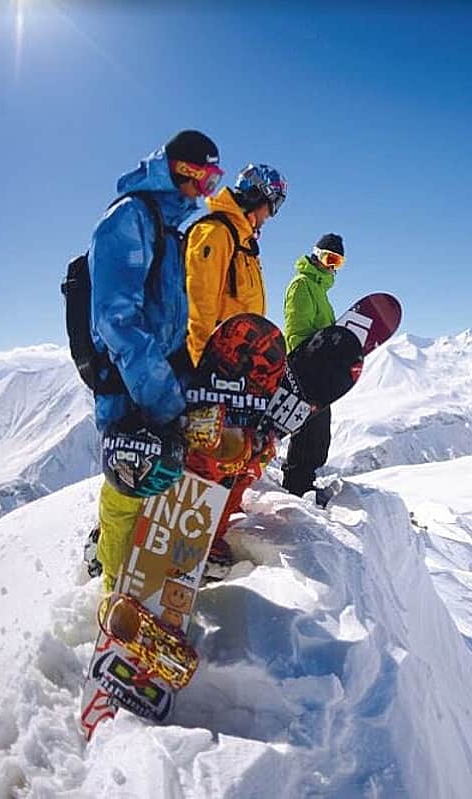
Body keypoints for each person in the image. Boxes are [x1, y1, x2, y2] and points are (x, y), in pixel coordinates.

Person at [86, 130, 223, 591]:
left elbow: (169, 316)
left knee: (158, 484)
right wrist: (164, 395)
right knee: (129, 483)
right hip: (129, 385)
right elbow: (116, 319)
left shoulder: (170, 226)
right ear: (182, 171)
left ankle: (147, 582)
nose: (207, 193)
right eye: (206, 180)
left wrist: (188, 377)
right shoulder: (130, 219)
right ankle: (114, 589)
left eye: (214, 182)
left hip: (160, 377)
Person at [183, 164, 287, 576]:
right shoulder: (216, 234)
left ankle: (211, 534)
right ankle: (187, 545)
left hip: (240, 378)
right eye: (272, 207)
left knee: (252, 453)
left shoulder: (244, 244)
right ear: (260, 199)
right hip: (211, 375)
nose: (270, 217)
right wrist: (199, 378)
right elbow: (199, 311)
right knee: (209, 462)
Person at [281, 233, 345, 500]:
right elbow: (297, 332)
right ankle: (296, 486)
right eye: (329, 258)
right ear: (317, 254)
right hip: (305, 368)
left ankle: (306, 483)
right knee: (307, 428)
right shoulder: (302, 284)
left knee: (320, 430)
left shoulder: (319, 289)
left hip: (320, 370)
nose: (331, 266)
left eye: (338, 262)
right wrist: (315, 353)